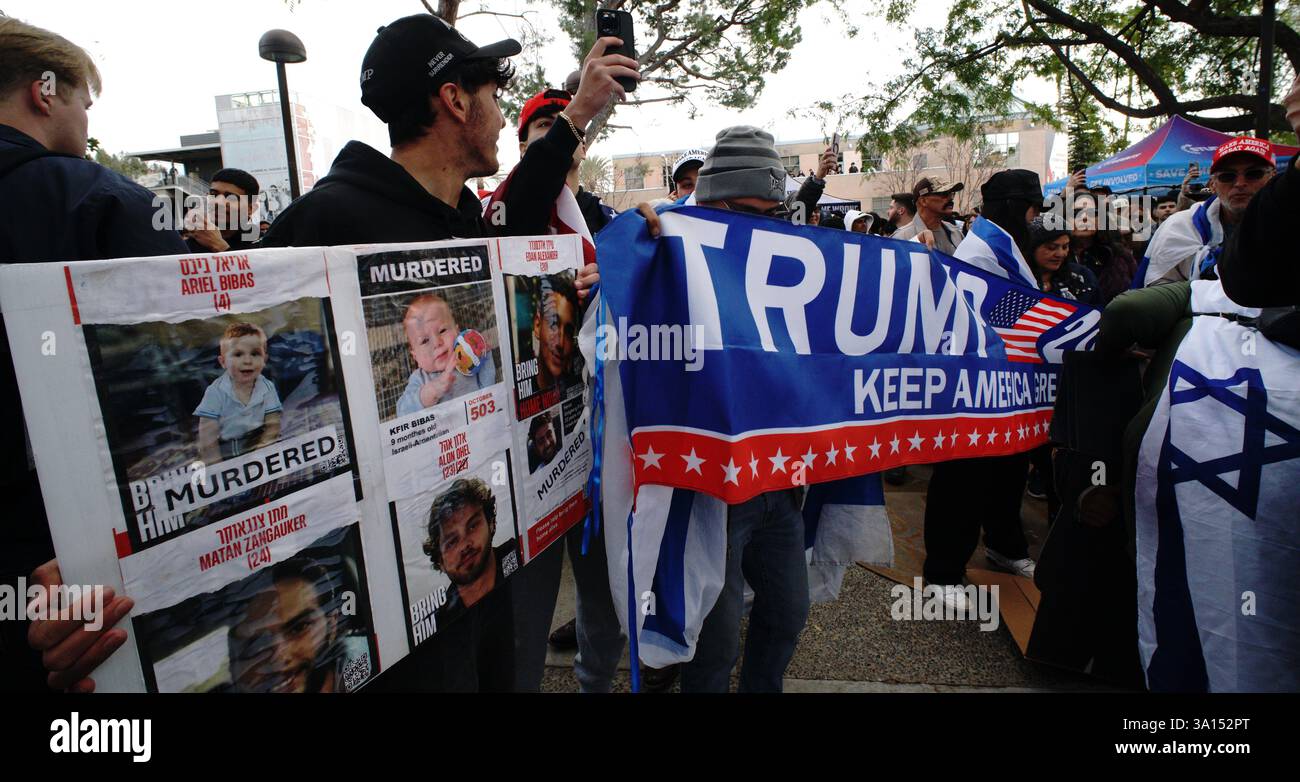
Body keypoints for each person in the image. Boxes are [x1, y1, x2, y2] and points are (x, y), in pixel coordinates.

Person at [29, 11, 638, 694]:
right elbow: (214, 391)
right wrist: (99, 553)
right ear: (455, 99)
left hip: (479, 577)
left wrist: (581, 129)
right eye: (491, 94)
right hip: (394, 616)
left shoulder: (462, 218)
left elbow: (519, 216)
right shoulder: (325, 222)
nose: (501, 115)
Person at [1, 17, 187, 692]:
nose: (85, 120)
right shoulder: (99, 200)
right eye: (84, 99)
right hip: (80, 583)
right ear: (43, 92)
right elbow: (175, 371)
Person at [635, 126, 810, 692]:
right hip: (712, 491)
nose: (757, 227)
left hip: (780, 485)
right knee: (713, 646)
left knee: (787, 613)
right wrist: (633, 259)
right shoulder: (666, 245)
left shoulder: (798, 266)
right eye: (740, 210)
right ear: (707, 203)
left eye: (771, 213)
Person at [923, 169, 1044, 608]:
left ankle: (1004, 544)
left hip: (1005, 385)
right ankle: (942, 572)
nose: (1035, 218)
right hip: (974, 388)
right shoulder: (981, 253)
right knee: (963, 480)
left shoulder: (1005, 247)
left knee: (1009, 470)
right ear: (1014, 207)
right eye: (1031, 208)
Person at [223, 556, 371, 694]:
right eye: (256, 642)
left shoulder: (370, 661)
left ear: (332, 625)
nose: (279, 657)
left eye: (299, 628)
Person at [1140, 137, 1275, 288]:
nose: (1240, 183)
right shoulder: (1180, 226)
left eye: (1254, 174)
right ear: (1213, 185)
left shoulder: (1291, 222)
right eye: (1227, 176)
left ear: (1272, 178)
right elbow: (1159, 289)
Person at [424, 479, 518, 630]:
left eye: (472, 526)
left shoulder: (519, 554)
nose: (465, 545)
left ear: (491, 523)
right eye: (452, 542)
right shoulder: (442, 621)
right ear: (440, 561)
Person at [395, 292, 497, 417]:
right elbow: (402, 412)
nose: (437, 342)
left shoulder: (469, 361)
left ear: (458, 331)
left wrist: (485, 356)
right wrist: (431, 391)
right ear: (415, 357)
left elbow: (488, 388)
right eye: (424, 341)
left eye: (442, 330)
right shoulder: (420, 378)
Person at [194, 322, 283, 463]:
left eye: (255, 354)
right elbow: (207, 436)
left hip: (258, 440)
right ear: (223, 362)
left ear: (264, 360)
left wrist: (262, 451)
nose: (247, 360)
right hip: (227, 446)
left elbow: (273, 424)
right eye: (238, 354)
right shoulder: (215, 392)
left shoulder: (267, 387)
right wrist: (216, 465)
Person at [1069, 197, 1137, 306]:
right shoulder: (1052, 257)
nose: (1084, 217)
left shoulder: (1119, 256)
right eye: (1076, 213)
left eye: (1092, 213)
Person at [183, 168, 260, 253]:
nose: (218, 202)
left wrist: (219, 246)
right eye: (213, 194)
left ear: (250, 209)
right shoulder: (183, 248)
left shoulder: (261, 245)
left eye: (231, 197)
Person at [1027, 216, 1099, 306]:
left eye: (1065, 247)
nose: (1061, 254)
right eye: (1051, 248)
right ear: (1032, 249)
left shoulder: (1083, 277)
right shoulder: (1016, 277)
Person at [893, 177, 965, 254]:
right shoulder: (902, 238)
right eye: (944, 194)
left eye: (951, 194)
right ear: (923, 201)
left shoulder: (956, 233)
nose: (950, 199)